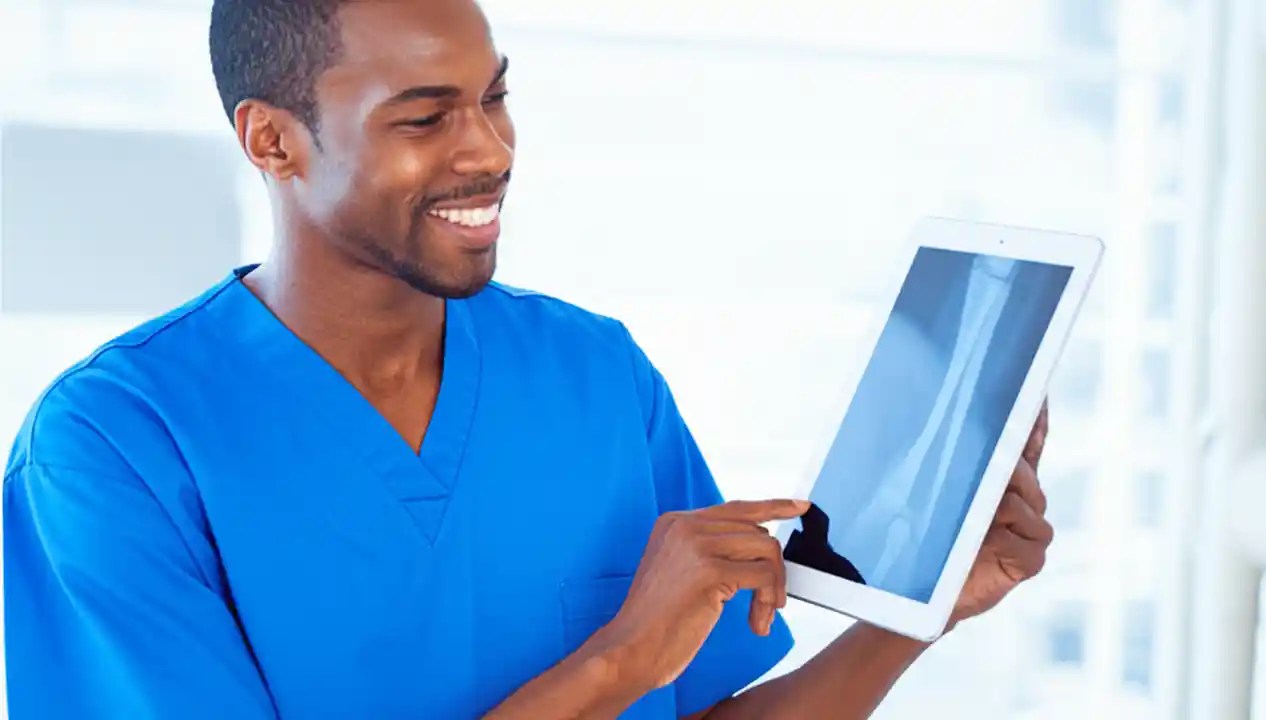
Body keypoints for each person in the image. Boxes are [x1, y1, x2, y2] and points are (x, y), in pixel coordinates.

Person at [1, 1, 1056, 718]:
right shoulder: (111, 450)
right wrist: (617, 661)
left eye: (493, 99)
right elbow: (636, 668)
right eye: (425, 117)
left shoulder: (593, 375)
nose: (489, 151)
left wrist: (919, 618)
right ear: (272, 141)